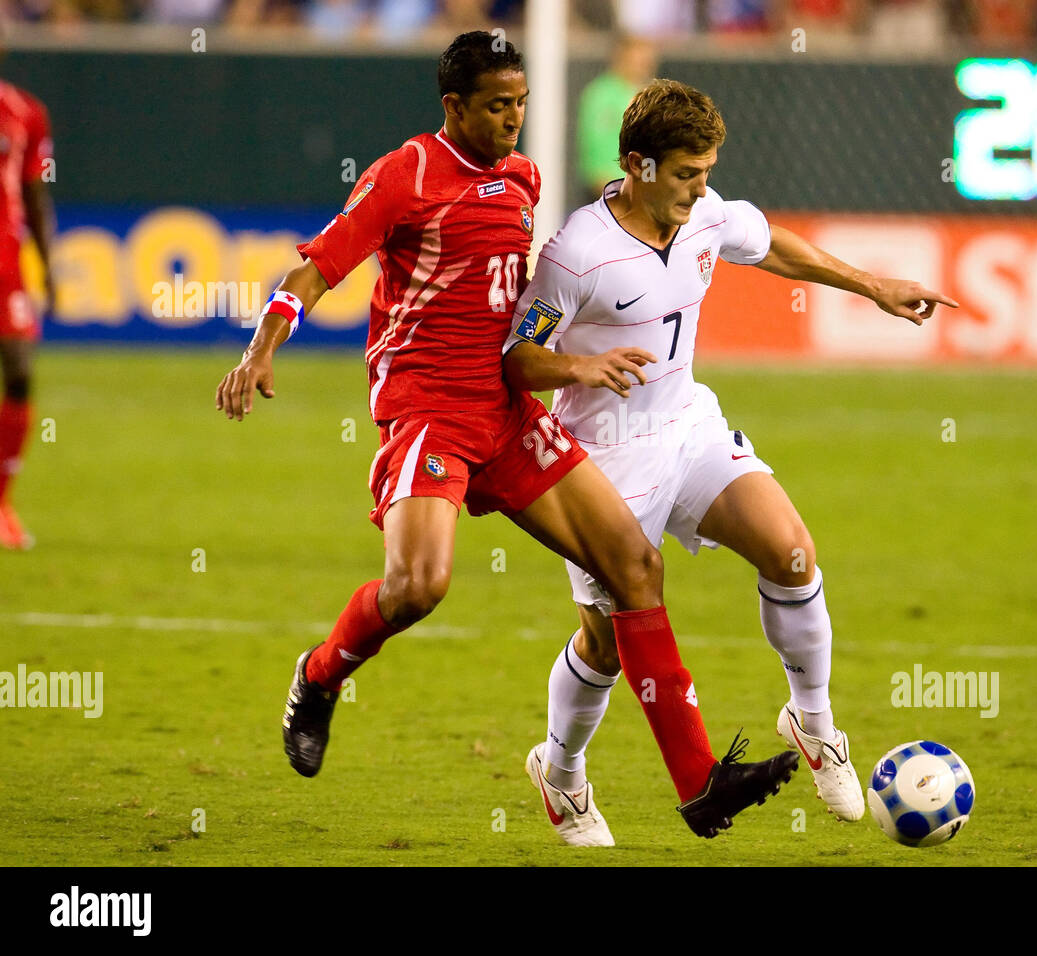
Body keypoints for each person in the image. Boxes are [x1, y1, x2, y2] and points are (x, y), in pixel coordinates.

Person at [214, 33, 796, 842]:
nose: (513, 120)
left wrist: (567, 364)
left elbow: (526, 309)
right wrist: (261, 348)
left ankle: (699, 782)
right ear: (454, 106)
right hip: (428, 411)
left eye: (520, 102)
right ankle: (320, 675)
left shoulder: (523, 178)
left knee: (635, 564)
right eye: (496, 105)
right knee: (419, 586)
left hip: (508, 411)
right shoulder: (406, 173)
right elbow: (319, 264)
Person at [503, 79, 958, 844]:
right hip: (603, 461)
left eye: (707, 171)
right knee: (607, 644)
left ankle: (814, 725)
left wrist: (871, 285)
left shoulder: (706, 214)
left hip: (688, 428)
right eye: (686, 173)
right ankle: (561, 769)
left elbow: (769, 242)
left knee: (791, 553)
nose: (700, 189)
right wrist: (579, 369)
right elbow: (518, 358)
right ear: (640, 165)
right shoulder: (578, 252)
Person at [0, 68, 56, 551]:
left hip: (6, 266)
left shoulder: (25, 112)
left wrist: (49, 266)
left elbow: (35, 193)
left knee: (19, 372)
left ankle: (1, 504)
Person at [576, 34, 655, 199]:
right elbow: (596, 146)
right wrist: (606, 187)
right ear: (621, 57)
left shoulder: (651, 95)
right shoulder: (601, 94)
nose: (643, 65)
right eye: (637, 58)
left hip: (644, 189)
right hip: (612, 189)